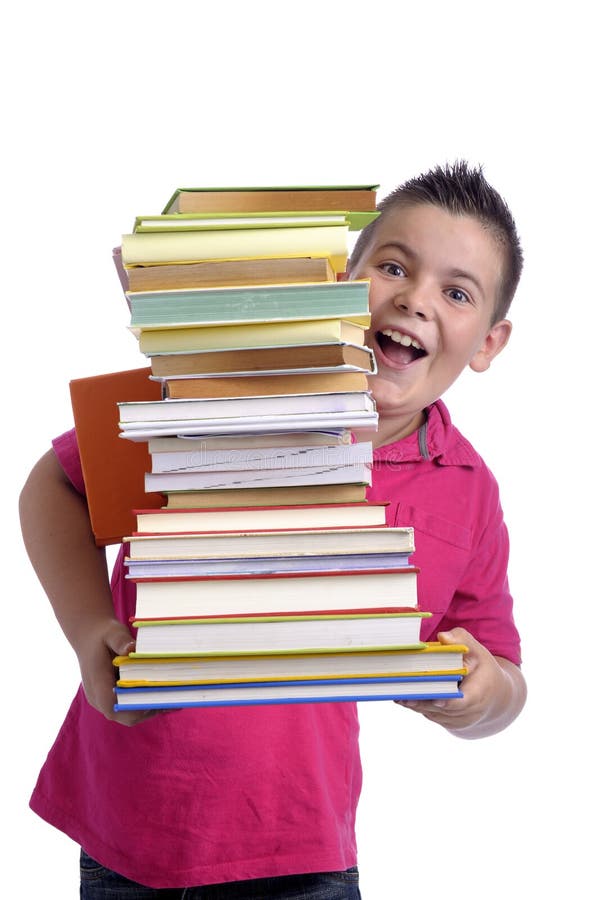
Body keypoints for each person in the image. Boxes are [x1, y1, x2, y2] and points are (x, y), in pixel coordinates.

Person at [19, 162, 527, 899]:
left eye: (455, 292)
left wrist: (483, 697)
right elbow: (56, 483)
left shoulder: (465, 487)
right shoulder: (213, 394)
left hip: (300, 851)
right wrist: (86, 625)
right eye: (392, 266)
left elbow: (502, 670)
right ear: (337, 283)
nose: (415, 300)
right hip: (128, 827)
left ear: (486, 341)